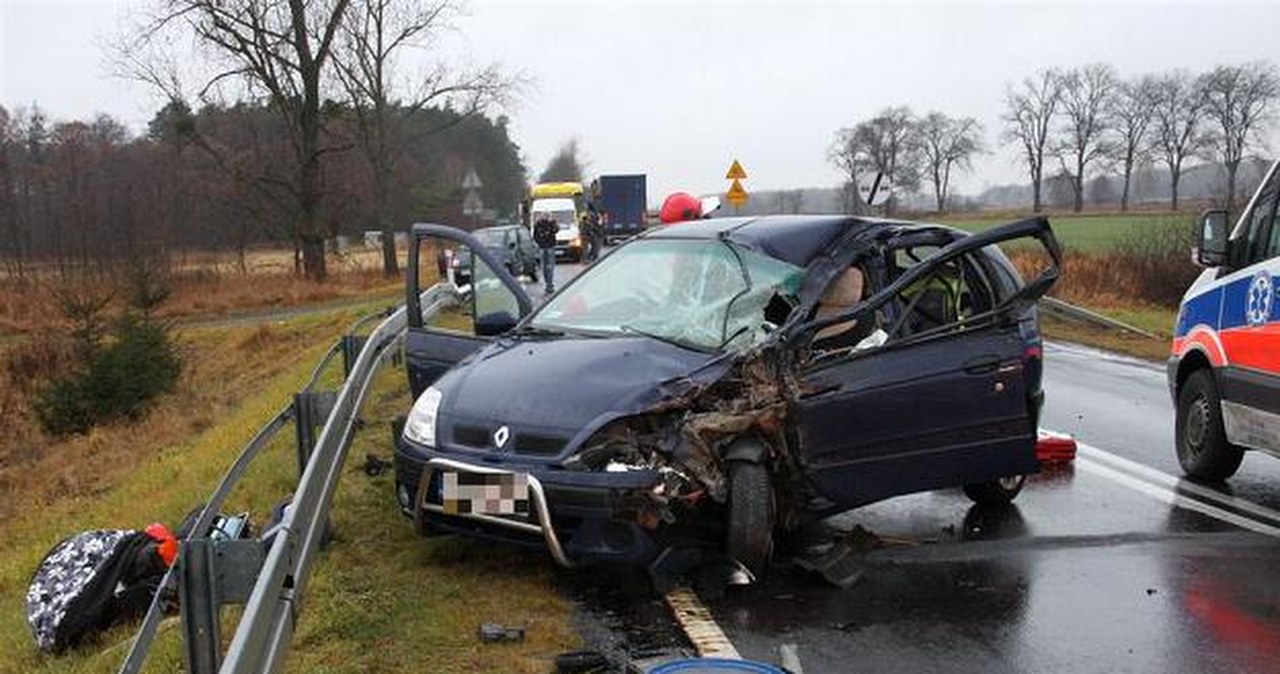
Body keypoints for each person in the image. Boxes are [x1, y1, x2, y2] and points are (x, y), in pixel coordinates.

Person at [532, 211, 558, 293]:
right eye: (545, 215)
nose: (546, 217)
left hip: (550, 246)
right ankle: (547, 282)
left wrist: (552, 222)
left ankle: (549, 285)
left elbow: (556, 230)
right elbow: (535, 236)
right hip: (542, 247)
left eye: (548, 216)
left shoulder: (552, 223)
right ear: (542, 216)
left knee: (550, 267)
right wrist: (539, 242)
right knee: (543, 267)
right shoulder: (538, 224)